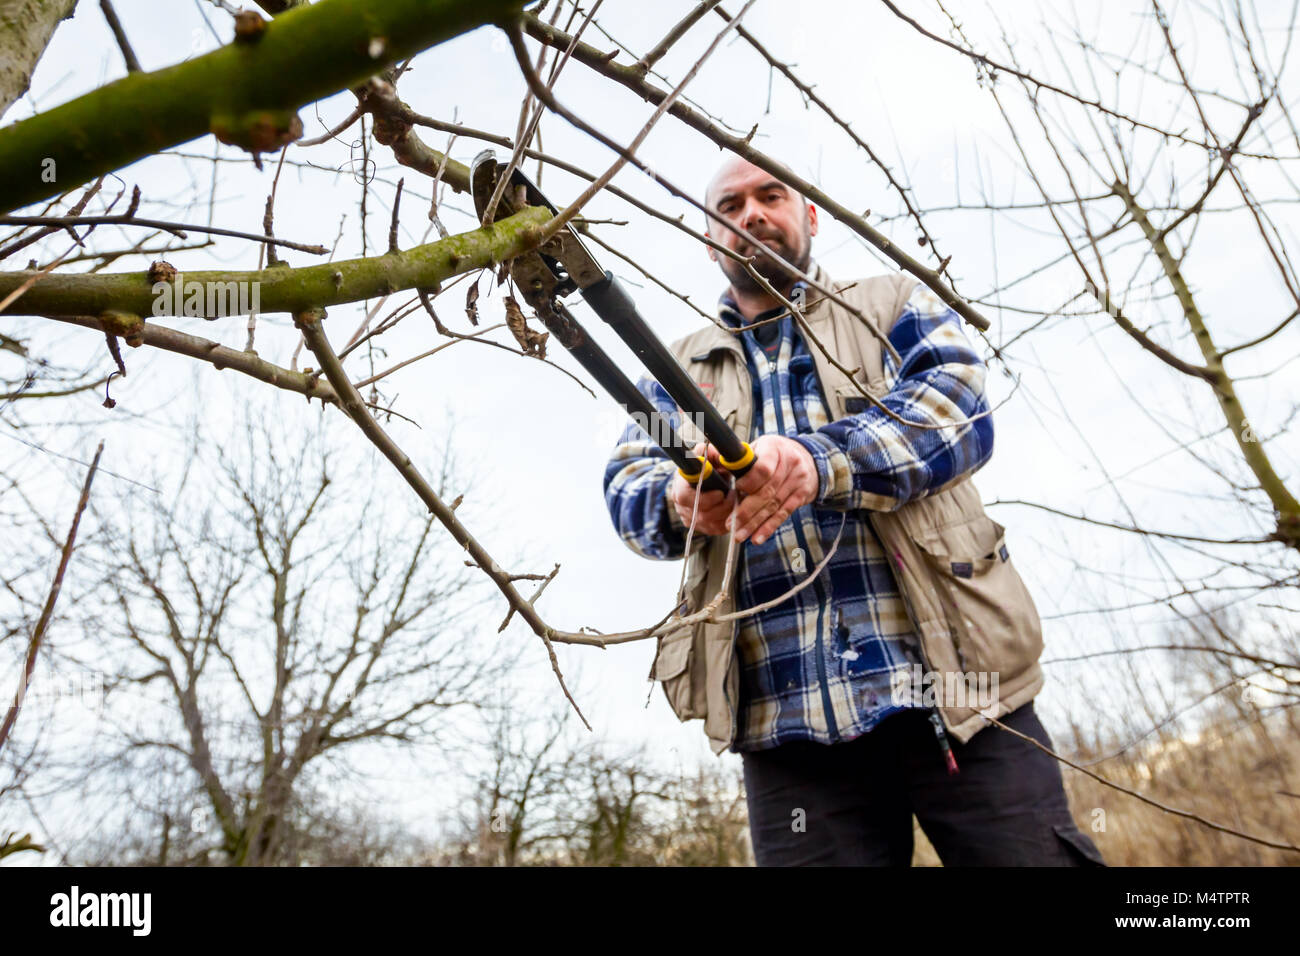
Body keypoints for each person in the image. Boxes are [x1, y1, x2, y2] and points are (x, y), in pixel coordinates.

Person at [603, 155, 1105, 867]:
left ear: (809, 215)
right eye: (730, 206)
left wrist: (817, 463)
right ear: (711, 239)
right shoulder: (674, 373)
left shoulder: (892, 302)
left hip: (963, 699)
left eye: (771, 195)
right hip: (785, 725)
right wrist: (679, 501)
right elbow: (628, 484)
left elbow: (957, 408)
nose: (752, 214)